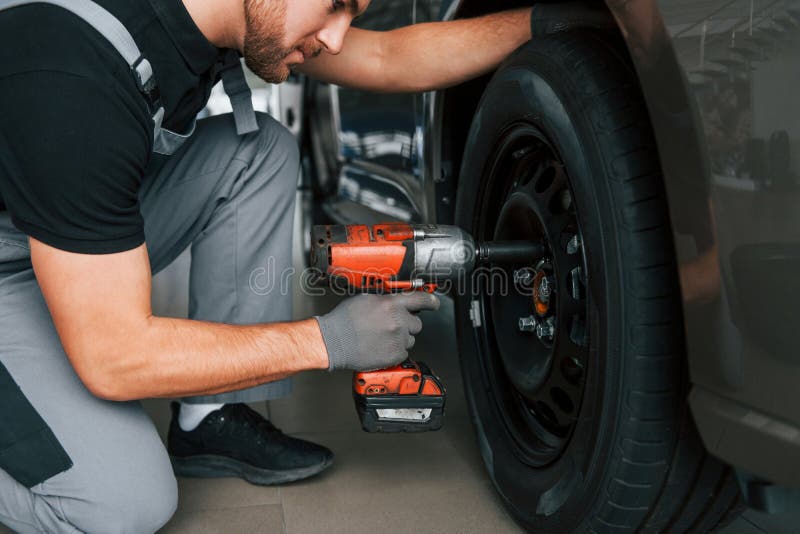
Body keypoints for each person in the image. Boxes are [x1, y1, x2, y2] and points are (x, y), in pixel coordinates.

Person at [0, 0, 607, 531]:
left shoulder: (223, 21)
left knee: (259, 150)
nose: (337, 39)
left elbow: (389, 58)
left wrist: (543, 20)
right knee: (124, 507)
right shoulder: (71, 75)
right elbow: (115, 358)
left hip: (55, 234)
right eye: (335, 3)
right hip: (13, 268)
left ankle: (209, 417)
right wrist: (328, 340)